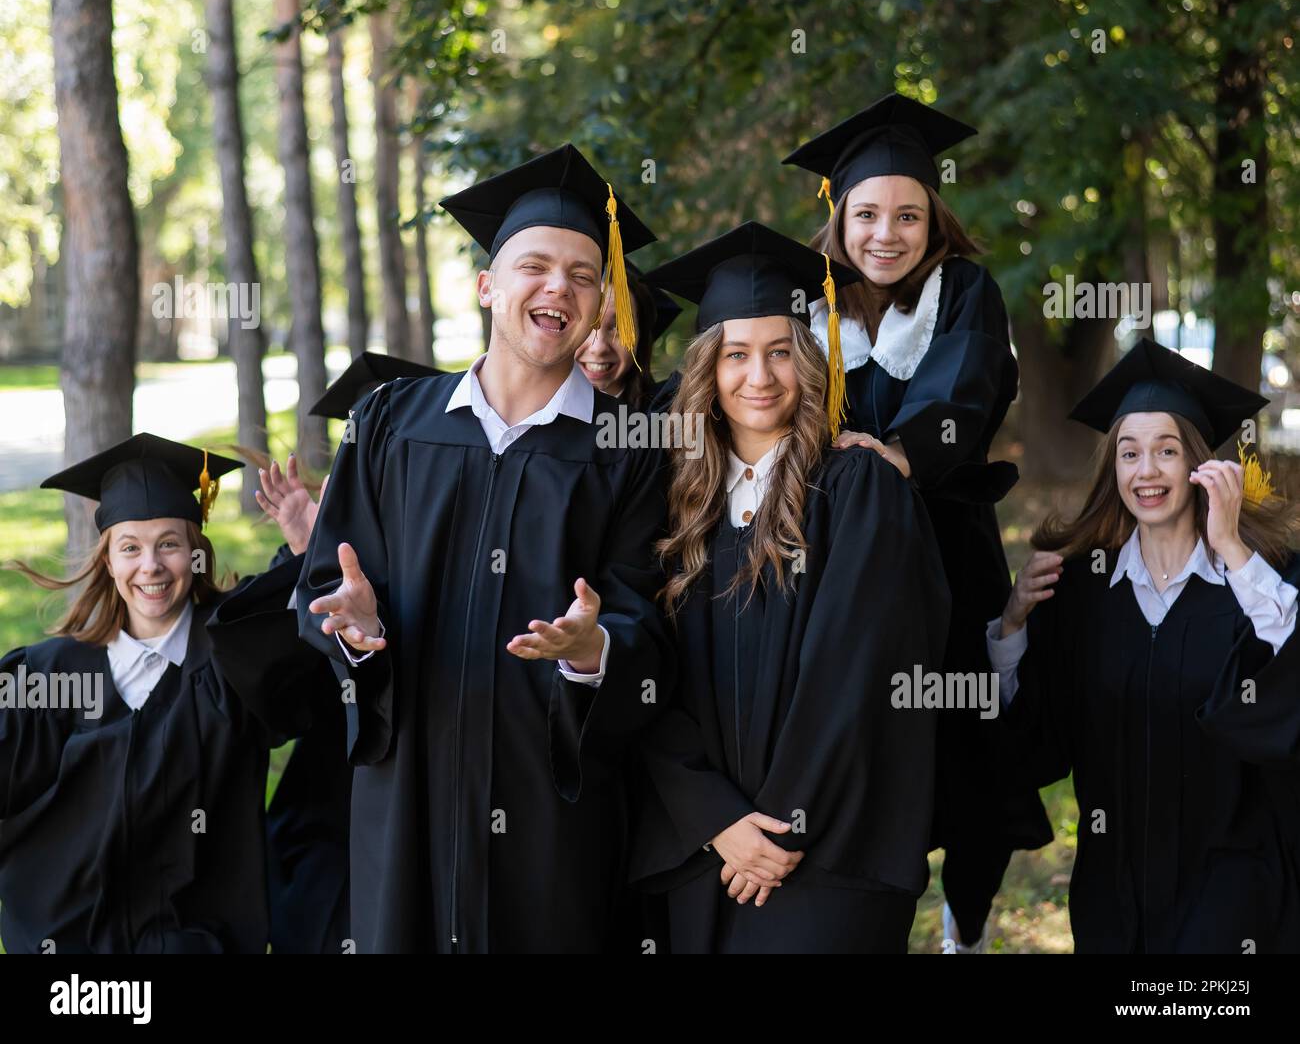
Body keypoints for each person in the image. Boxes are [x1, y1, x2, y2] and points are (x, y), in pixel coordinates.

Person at [291, 143, 675, 953]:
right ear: (487, 287)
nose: (557, 288)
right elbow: (327, 584)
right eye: (534, 266)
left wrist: (593, 647)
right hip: (410, 792)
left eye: (581, 274)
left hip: (547, 798)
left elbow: (647, 619)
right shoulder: (394, 423)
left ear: (602, 300)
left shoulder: (630, 450)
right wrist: (354, 631)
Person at [629, 221, 950, 953]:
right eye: (736, 355)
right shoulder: (673, 506)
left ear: (811, 362)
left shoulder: (856, 489)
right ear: (706, 371)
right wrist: (715, 818)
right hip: (702, 851)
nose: (760, 376)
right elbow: (645, 670)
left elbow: (861, 675)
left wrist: (778, 827)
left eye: (780, 352)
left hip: (827, 854)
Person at [784, 92, 1051, 951]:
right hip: (843, 565)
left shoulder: (965, 290)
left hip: (948, 550)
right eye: (867, 214)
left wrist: (901, 450)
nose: (886, 234)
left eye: (906, 214)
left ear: (933, 217)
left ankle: (965, 928)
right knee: (870, 747)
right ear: (839, 218)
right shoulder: (808, 303)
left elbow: (967, 388)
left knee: (972, 763)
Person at [990, 338, 1300, 953]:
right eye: (1129, 453)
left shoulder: (1261, 577)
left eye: (1166, 450)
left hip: (1232, 878)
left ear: (1200, 464)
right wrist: (1014, 625)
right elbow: (1039, 735)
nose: (1146, 471)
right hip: (1112, 881)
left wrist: (1234, 550)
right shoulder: (1083, 588)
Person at [0, 434, 275, 953]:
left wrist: (308, 550)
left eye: (168, 543)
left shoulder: (233, 656)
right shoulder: (52, 676)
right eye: (130, 547)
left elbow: (305, 641)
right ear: (108, 561)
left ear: (196, 553)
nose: (150, 566)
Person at [213, 351, 443, 954]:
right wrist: (301, 560)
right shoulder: (332, 561)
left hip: (442, 817)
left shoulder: (469, 549)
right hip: (332, 824)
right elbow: (275, 701)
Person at [575, 261, 680, 408]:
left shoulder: (670, 420)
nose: (598, 348)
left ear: (640, 337)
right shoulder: (534, 418)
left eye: (619, 327)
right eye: (586, 324)